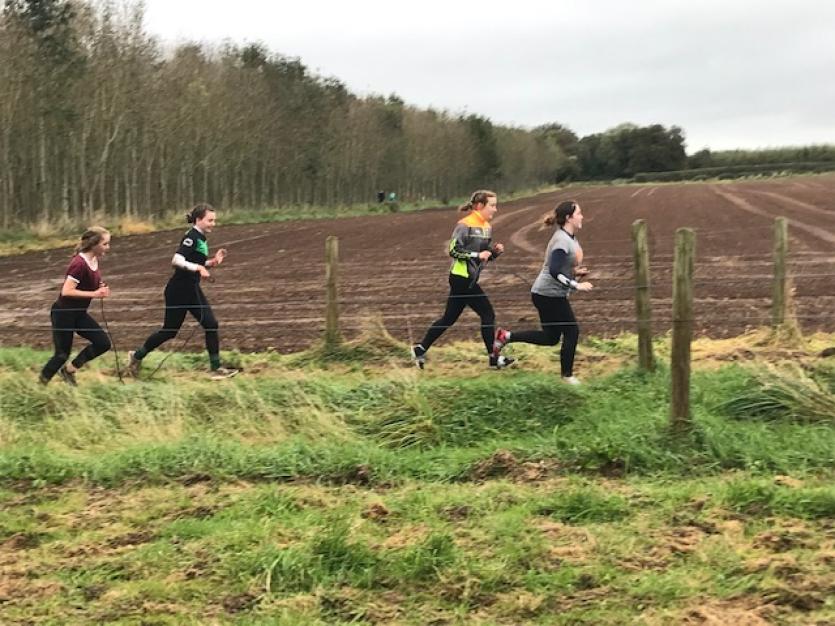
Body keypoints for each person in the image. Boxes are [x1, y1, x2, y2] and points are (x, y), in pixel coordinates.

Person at [127, 204, 239, 380]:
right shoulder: (191, 237)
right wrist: (198, 268)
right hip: (178, 291)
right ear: (198, 220)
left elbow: (194, 261)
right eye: (210, 220)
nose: (213, 224)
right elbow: (177, 260)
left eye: (214, 220)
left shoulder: (200, 237)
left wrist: (211, 263)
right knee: (169, 331)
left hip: (191, 289)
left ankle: (216, 368)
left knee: (211, 324)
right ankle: (136, 356)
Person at [492, 200, 593, 384]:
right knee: (572, 331)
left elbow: (560, 267)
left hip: (546, 294)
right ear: (569, 218)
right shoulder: (562, 240)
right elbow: (554, 271)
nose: (582, 216)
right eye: (579, 213)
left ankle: (505, 336)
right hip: (548, 295)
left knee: (550, 337)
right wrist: (576, 285)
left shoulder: (569, 237)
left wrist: (574, 272)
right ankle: (567, 376)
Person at [411, 190, 513, 369]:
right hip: (461, 278)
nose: (495, 209)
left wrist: (494, 252)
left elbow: (483, 255)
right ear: (480, 206)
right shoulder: (465, 225)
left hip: (468, 279)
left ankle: (420, 349)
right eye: (492, 205)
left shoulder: (487, 227)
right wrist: (477, 254)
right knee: (487, 314)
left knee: (448, 319)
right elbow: (453, 250)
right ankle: (493, 358)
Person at [39, 227, 112, 386]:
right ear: (94, 244)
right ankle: (41, 385)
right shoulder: (79, 264)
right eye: (105, 244)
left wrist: (100, 286)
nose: (108, 247)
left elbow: (87, 282)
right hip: (63, 314)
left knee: (103, 343)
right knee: (61, 355)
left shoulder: (94, 260)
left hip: (79, 314)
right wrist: (95, 294)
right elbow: (66, 291)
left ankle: (69, 371)